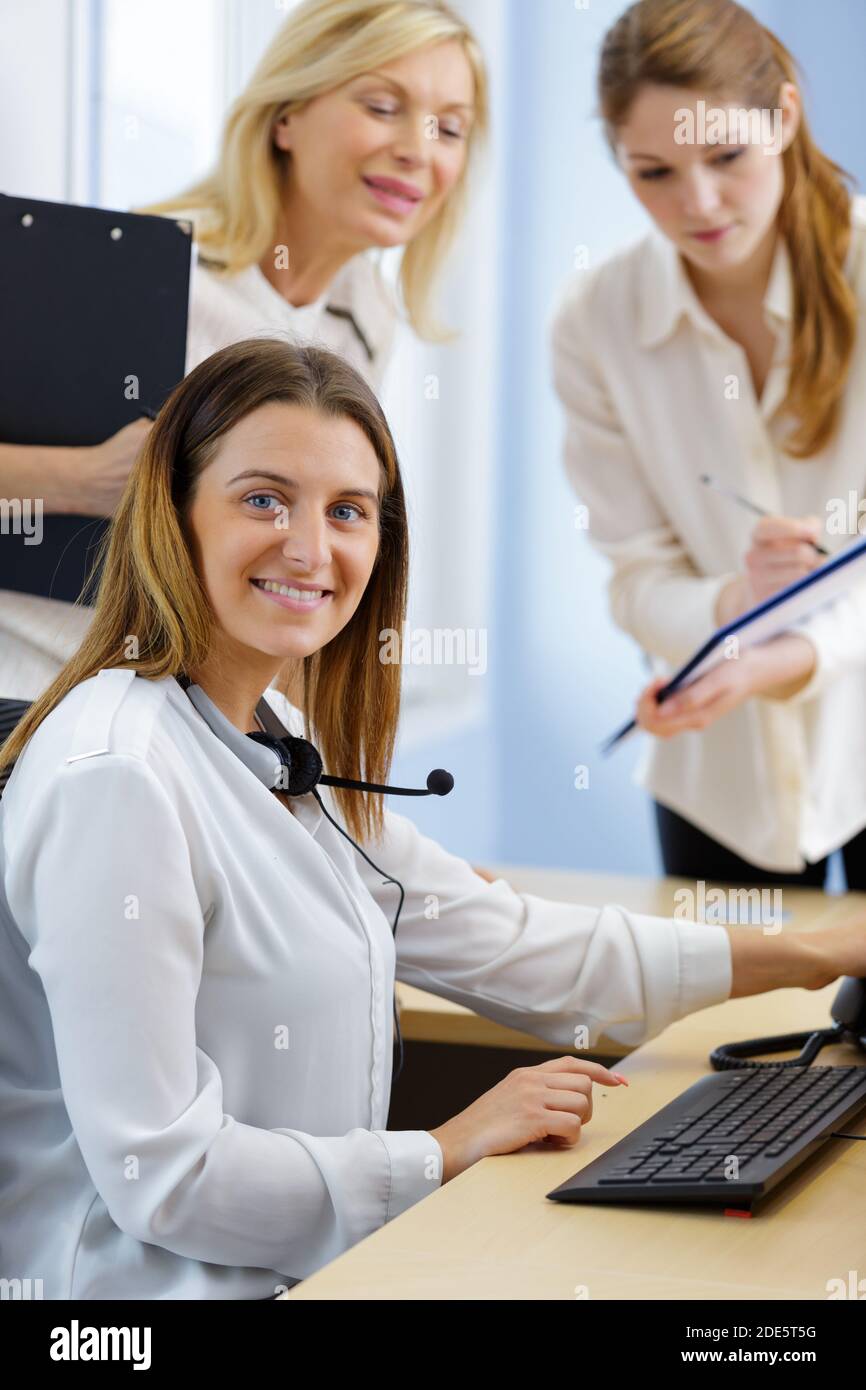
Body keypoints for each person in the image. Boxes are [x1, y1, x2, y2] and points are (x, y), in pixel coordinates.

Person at [2, 338, 864, 1300]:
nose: (308, 548)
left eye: (347, 512)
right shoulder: (117, 777)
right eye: (262, 499)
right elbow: (163, 1177)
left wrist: (825, 950)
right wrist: (440, 1152)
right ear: (173, 512)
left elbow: (522, 949)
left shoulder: (269, 742)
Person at [0, 0, 487, 701]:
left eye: (450, 128)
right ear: (285, 116)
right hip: (33, 692)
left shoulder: (363, 320)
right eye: (382, 106)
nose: (419, 148)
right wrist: (88, 478)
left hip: (183, 711)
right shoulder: (145, 275)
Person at [551, 0, 866, 884]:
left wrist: (788, 656)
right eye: (652, 173)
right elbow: (636, 575)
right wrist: (734, 603)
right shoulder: (593, 322)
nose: (698, 204)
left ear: (786, 118)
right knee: (723, 1025)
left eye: (727, 156)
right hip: (719, 779)